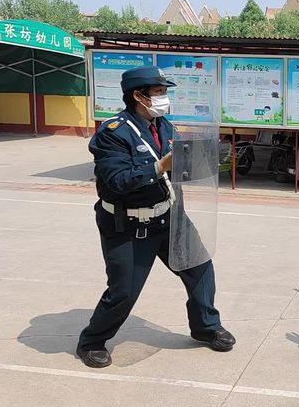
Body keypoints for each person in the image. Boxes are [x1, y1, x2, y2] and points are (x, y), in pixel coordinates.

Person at [76, 66, 235, 368]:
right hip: (130, 225)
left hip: (170, 216)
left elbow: (179, 163)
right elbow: (118, 180)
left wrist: (204, 157)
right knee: (123, 292)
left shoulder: (162, 125)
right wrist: (160, 166)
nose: (164, 98)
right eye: (159, 92)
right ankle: (92, 341)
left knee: (200, 268)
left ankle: (206, 327)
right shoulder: (112, 134)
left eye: (165, 92)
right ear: (139, 96)